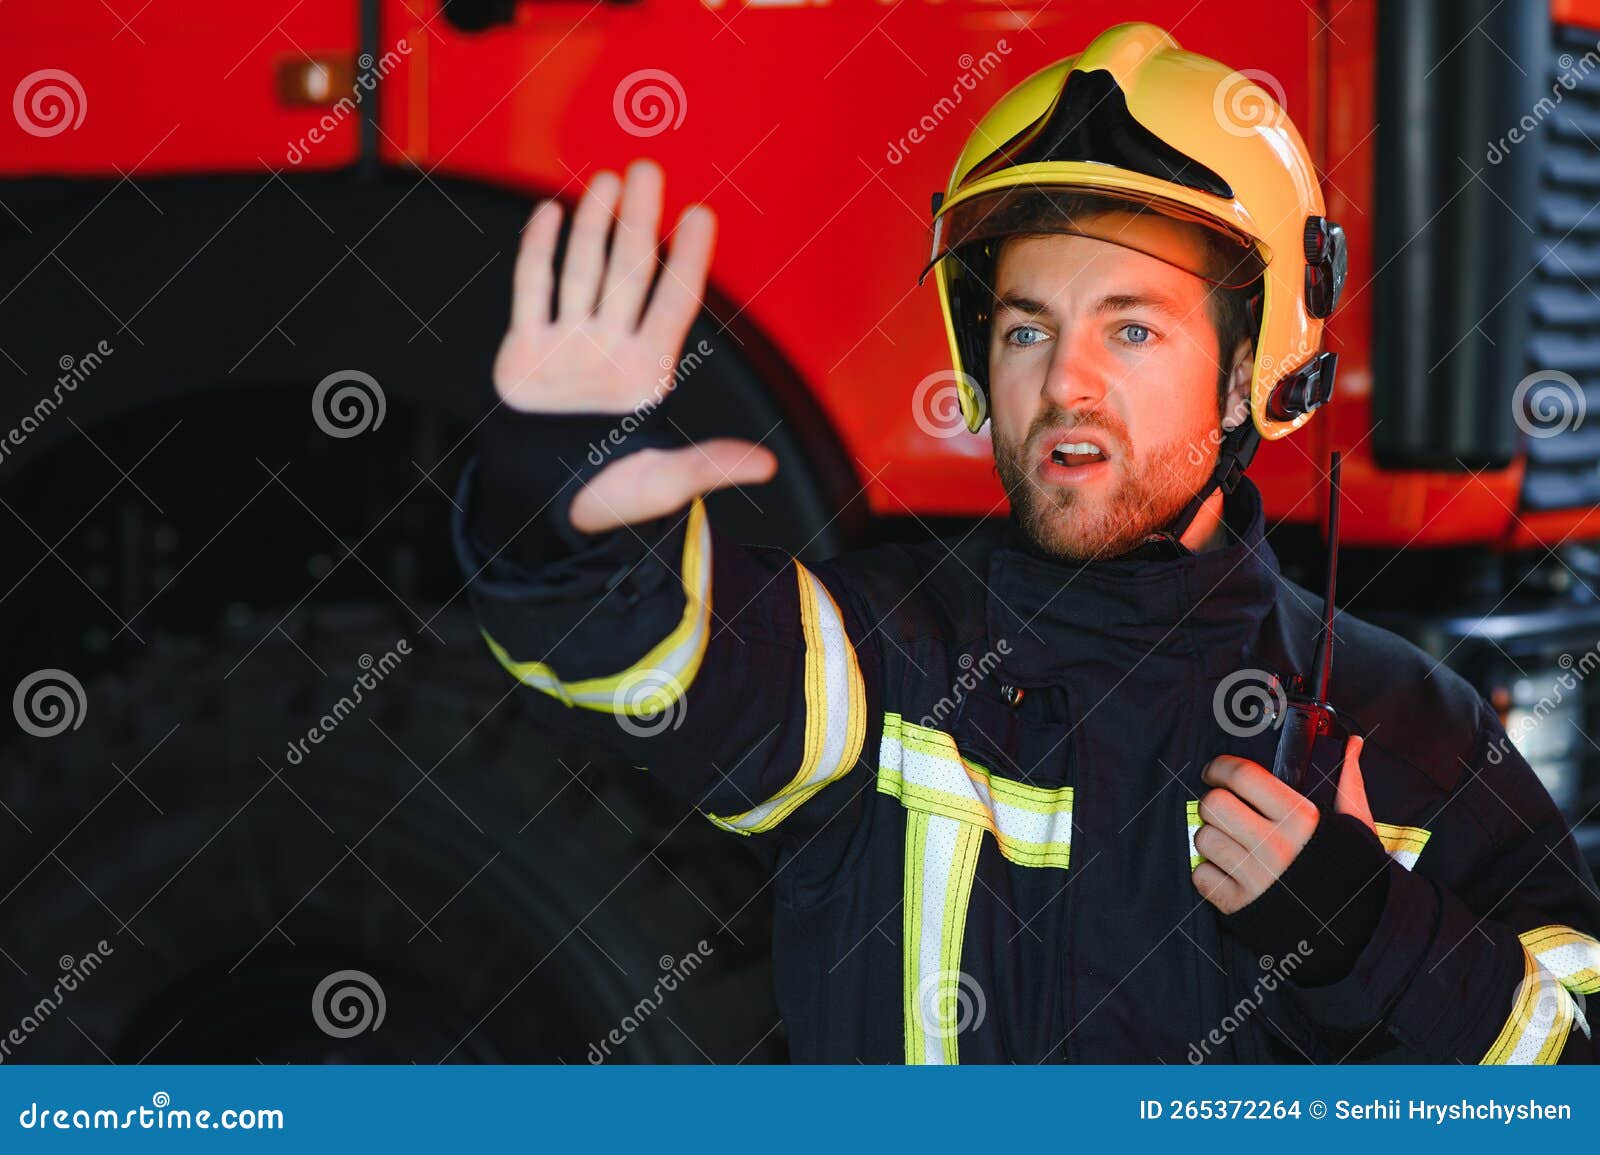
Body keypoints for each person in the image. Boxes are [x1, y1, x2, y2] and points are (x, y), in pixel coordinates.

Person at [451, 22, 1600, 1062]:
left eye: (1132, 329)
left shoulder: (1412, 731)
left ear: (1250, 372)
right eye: (1025, 328)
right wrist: (560, 509)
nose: (1065, 382)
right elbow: (650, 651)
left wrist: (1364, 934)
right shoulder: (871, 666)